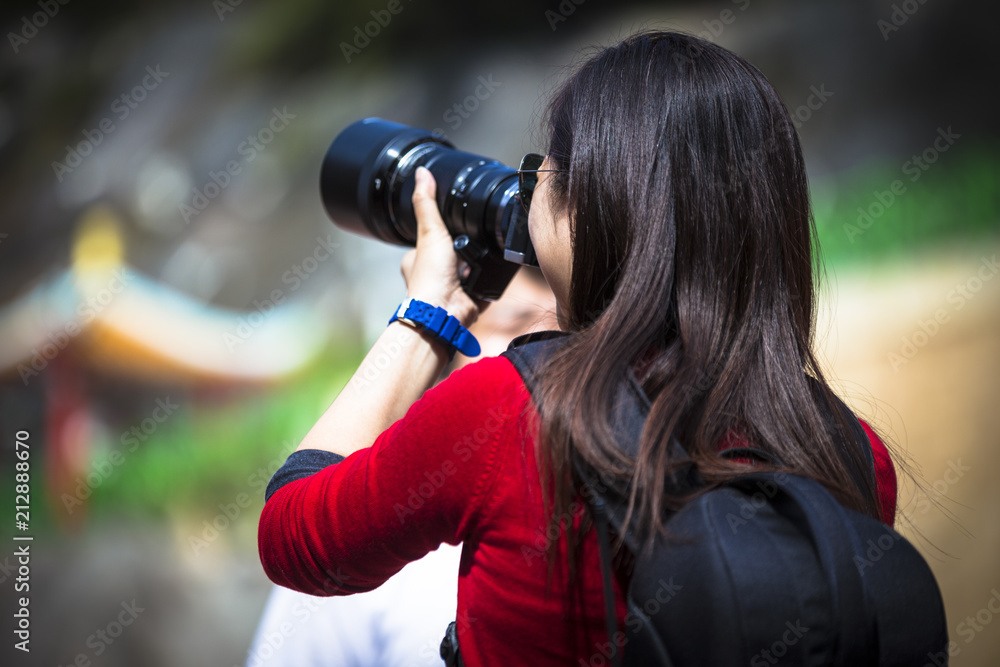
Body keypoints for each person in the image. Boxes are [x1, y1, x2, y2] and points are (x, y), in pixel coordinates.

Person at [258, 31, 898, 666]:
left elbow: (292, 537)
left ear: (593, 209)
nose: (531, 192)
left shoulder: (511, 413)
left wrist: (425, 317)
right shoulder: (851, 453)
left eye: (545, 172)